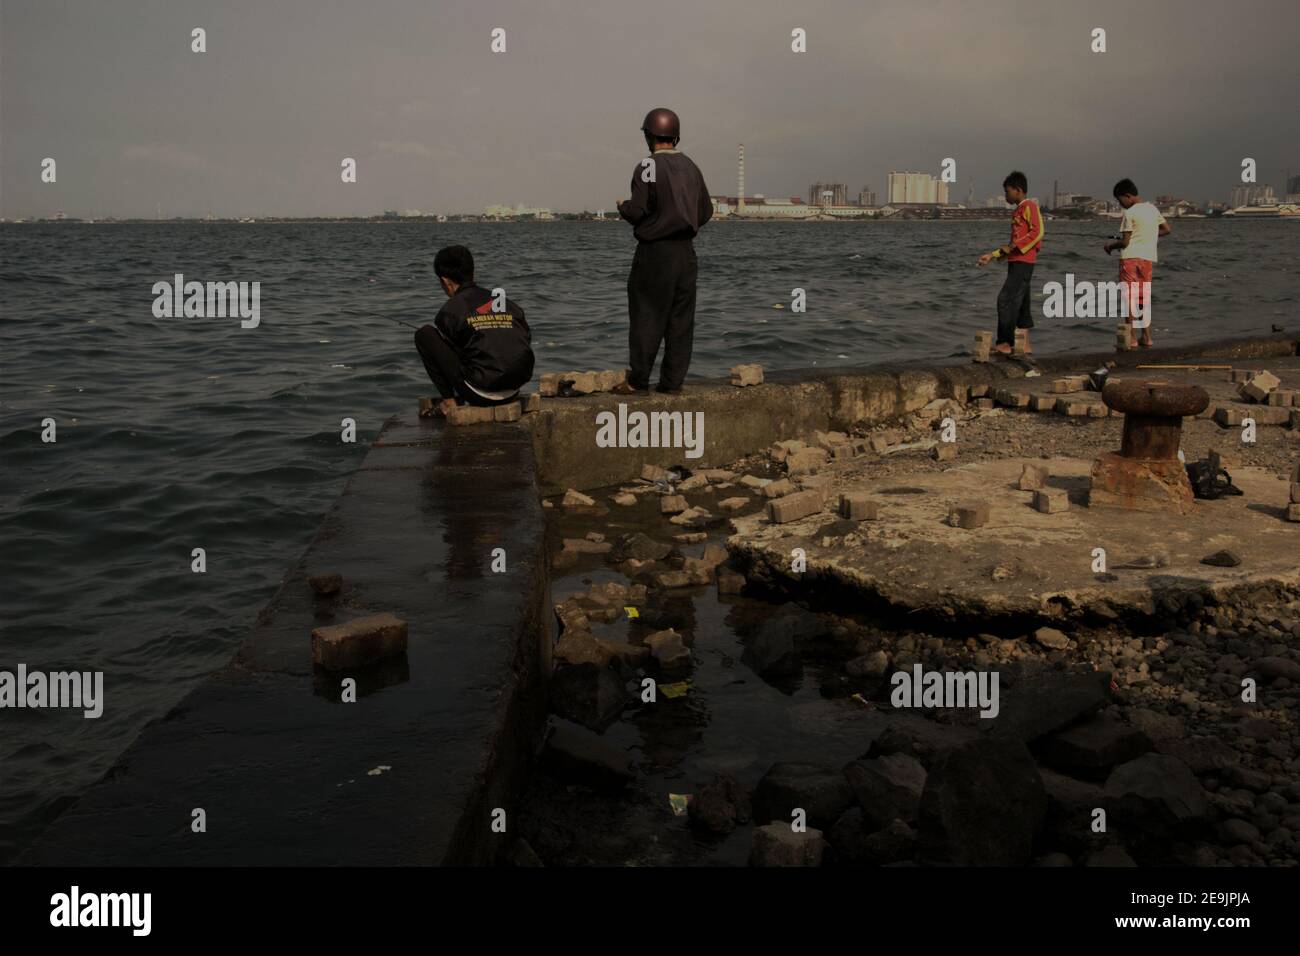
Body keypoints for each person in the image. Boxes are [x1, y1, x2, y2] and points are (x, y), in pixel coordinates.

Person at [613, 107, 713, 395]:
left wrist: (623, 207)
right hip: (686, 254)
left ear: (649, 135)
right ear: (675, 136)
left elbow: (639, 211)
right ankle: (672, 383)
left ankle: (638, 381)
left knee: (647, 315)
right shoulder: (692, 166)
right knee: (681, 321)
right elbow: (705, 211)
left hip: (655, 254)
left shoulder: (647, 166)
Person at [414, 245, 534, 417]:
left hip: (482, 393)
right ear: (472, 272)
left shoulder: (449, 311)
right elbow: (524, 339)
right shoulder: (507, 303)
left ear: (445, 281)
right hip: (514, 388)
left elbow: (454, 353)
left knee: (424, 335)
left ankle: (449, 402)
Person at [977, 171, 1045, 355]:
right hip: (1017, 261)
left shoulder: (1029, 206)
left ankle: (1005, 343)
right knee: (1022, 303)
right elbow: (1011, 246)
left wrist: (1016, 245)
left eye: (1007, 192)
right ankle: (1026, 345)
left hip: (1024, 262)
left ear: (1018, 190)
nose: (1006, 195)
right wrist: (992, 255)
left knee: (1005, 300)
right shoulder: (1018, 210)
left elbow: (1037, 233)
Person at [1104, 179, 1170, 348]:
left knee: (1129, 299)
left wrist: (1110, 246)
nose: (1121, 204)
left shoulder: (1130, 213)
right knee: (1143, 299)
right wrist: (1146, 236)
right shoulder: (1152, 209)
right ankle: (1147, 337)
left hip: (1130, 260)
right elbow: (1166, 229)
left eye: (1120, 201)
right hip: (1147, 260)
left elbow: (1125, 243)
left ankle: (1132, 338)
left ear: (1128, 196)